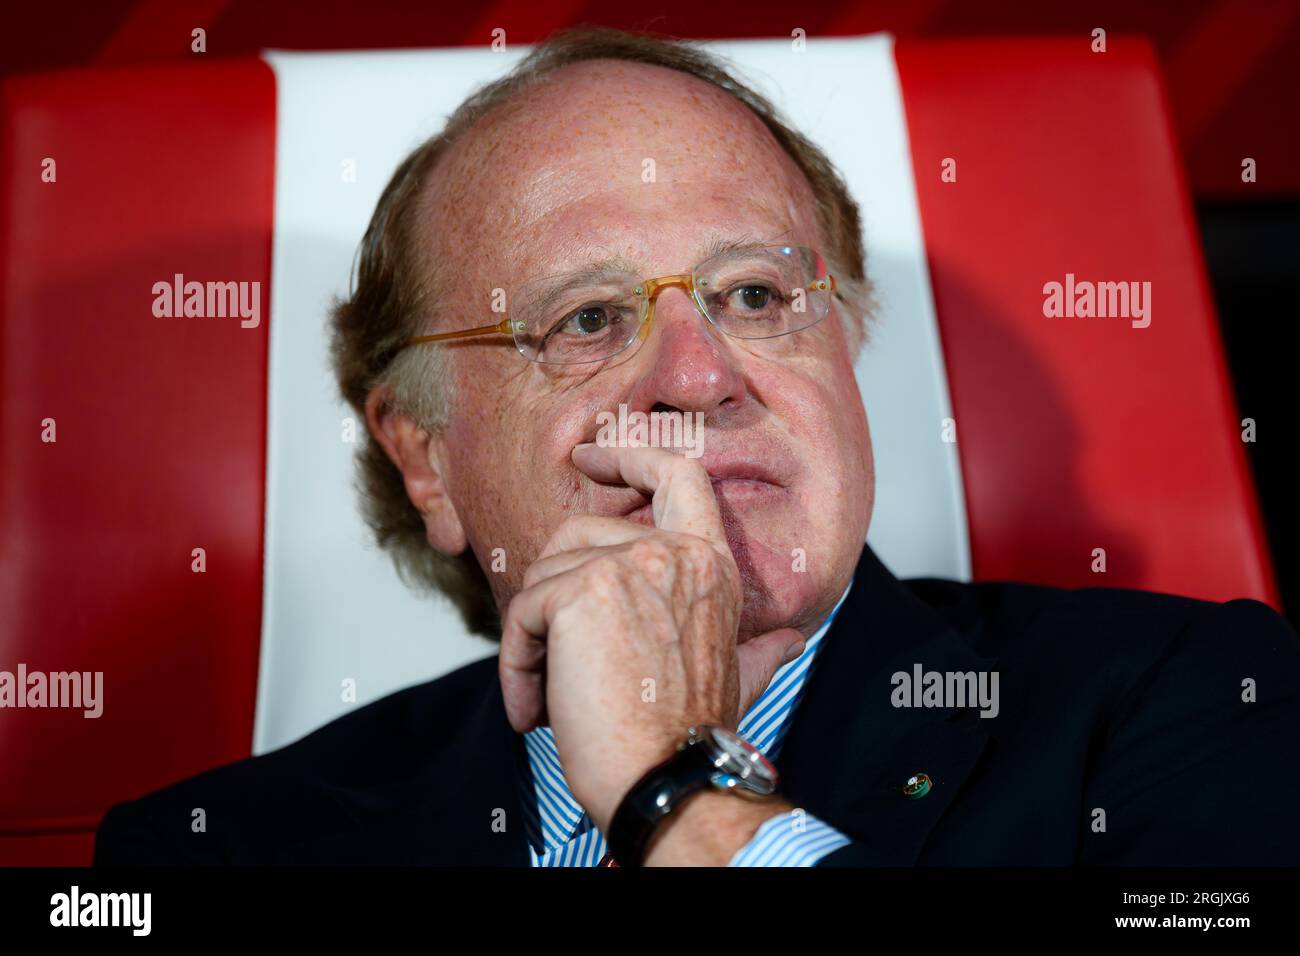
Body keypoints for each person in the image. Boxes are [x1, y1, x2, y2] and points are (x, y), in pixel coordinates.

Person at [96, 26, 1300, 867]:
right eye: (587, 318)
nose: (699, 374)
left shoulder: (1188, 706)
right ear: (426, 457)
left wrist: (676, 791)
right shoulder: (223, 850)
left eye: (758, 296)